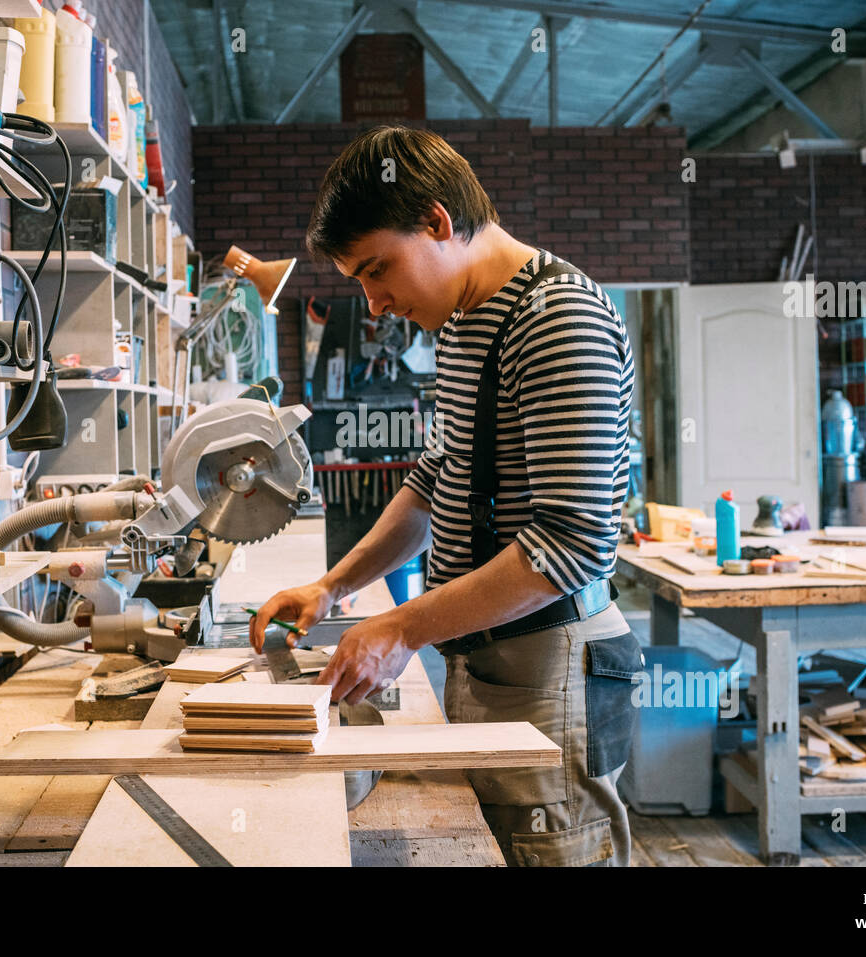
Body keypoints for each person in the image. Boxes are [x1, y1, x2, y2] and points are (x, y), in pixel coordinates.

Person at [248, 125, 642, 867]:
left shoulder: (558, 318)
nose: (374, 302)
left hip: (550, 660)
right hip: (489, 653)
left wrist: (401, 628)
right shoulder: (465, 322)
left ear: (436, 222)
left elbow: (573, 542)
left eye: (377, 269)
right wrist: (334, 587)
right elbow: (436, 478)